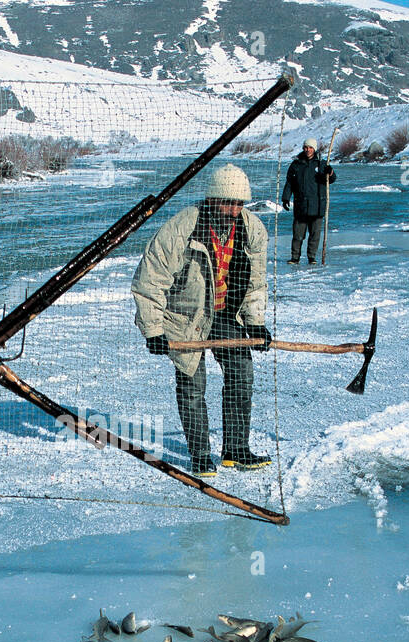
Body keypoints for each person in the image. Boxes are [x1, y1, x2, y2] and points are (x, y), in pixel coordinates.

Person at [132, 163, 270, 477]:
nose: (234, 210)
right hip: (184, 317)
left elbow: (256, 281)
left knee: (241, 374)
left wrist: (255, 322)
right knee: (193, 385)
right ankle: (200, 456)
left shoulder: (252, 229)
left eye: (239, 204)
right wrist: (153, 329)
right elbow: (150, 279)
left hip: (225, 314)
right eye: (227, 202)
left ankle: (236, 450)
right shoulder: (182, 227)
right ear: (211, 199)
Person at [281, 137, 337, 265]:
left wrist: (330, 172)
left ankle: (312, 257)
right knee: (298, 234)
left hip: (317, 205)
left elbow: (332, 179)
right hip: (301, 205)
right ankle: (295, 257)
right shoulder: (296, 165)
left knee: (314, 235)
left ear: (314, 149)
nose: (308, 150)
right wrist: (285, 198)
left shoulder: (322, 164)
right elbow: (289, 182)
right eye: (306, 147)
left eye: (310, 147)